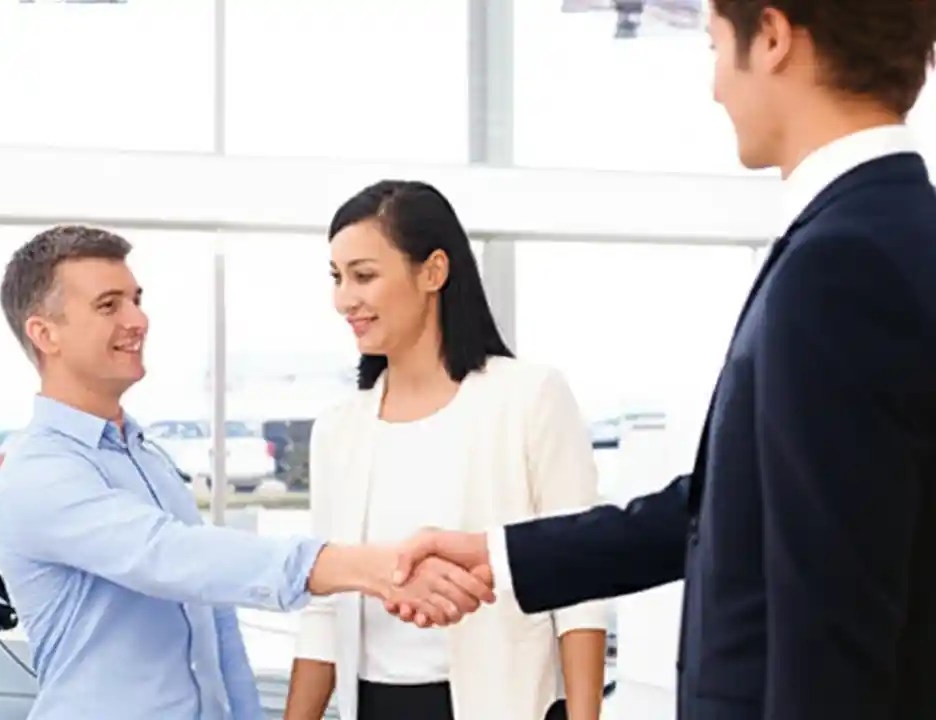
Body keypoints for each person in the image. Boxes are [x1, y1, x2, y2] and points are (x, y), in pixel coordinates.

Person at [389, 2, 936, 718]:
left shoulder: (841, 264)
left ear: (771, 38)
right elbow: (721, 506)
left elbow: (835, 628)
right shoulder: (887, 235)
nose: (714, 86)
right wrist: (503, 554)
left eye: (714, 47)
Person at [0, 225, 497, 720]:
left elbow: (213, 610)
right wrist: (374, 569)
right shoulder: (39, 475)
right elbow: (169, 556)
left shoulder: (144, 457)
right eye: (108, 305)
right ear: (44, 333)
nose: (138, 319)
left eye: (136, 298)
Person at [283, 181, 608, 720]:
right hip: (376, 704)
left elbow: (579, 586)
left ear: (433, 271)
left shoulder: (529, 396)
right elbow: (327, 603)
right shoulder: (339, 429)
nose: (345, 298)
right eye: (338, 278)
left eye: (364, 275)